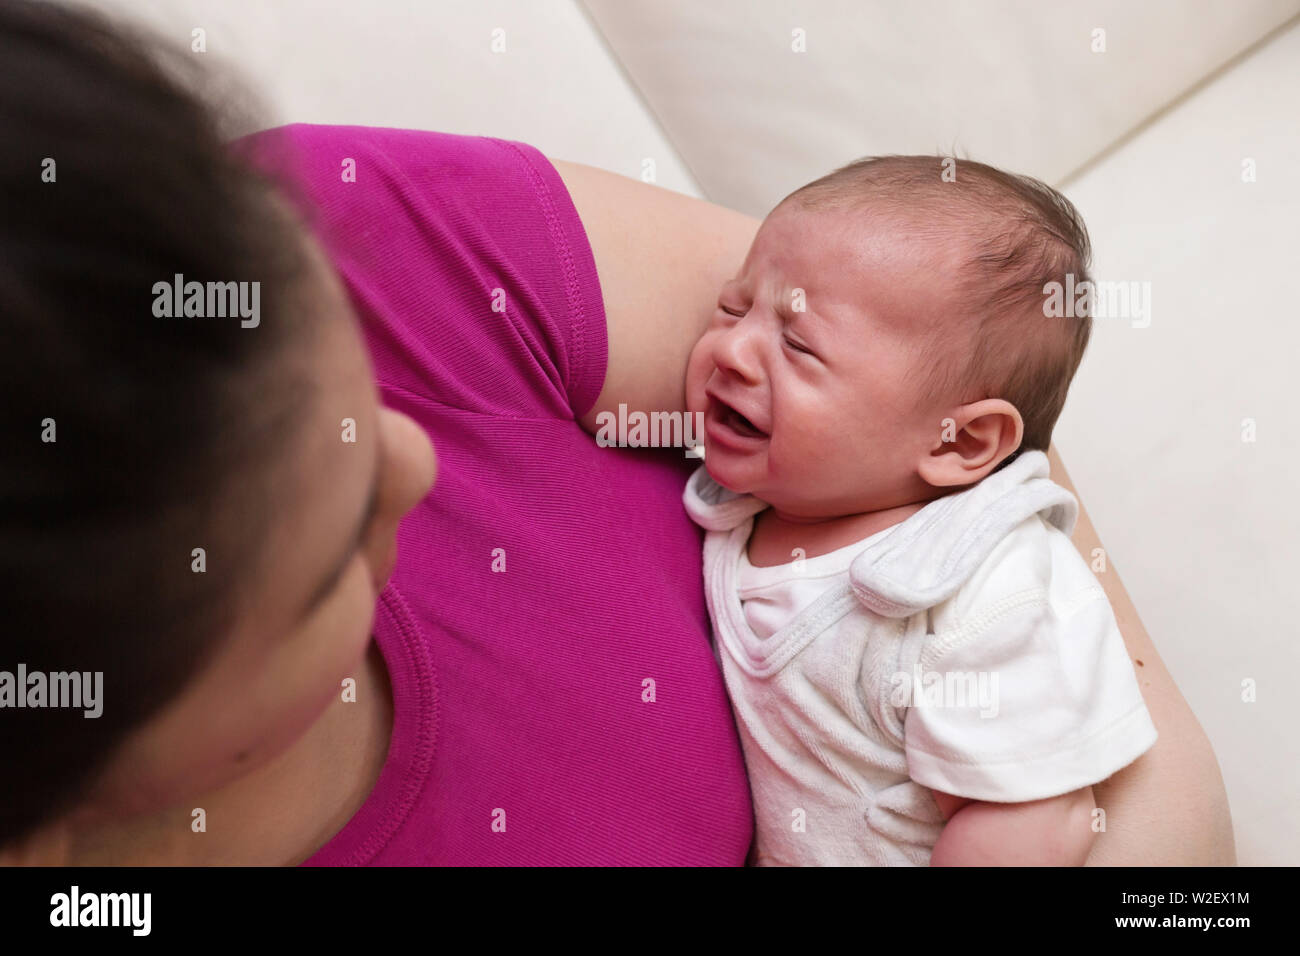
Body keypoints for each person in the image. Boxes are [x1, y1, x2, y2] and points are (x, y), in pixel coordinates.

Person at [0, 0, 1233, 865]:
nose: (416, 462)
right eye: (326, 553)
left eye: (356, 390)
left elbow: (929, 367)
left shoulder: (319, 234)